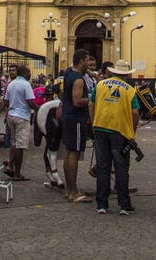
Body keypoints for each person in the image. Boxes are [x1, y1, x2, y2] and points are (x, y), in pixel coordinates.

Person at [89, 59, 140, 215]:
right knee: (121, 168)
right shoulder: (130, 90)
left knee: (103, 166)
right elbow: (135, 113)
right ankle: (124, 205)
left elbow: (91, 105)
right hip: (120, 131)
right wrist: (133, 130)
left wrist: (93, 122)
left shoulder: (99, 85)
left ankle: (102, 204)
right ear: (126, 74)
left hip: (100, 128)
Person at [61, 49, 91, 202]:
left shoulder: (68, 73)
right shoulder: (79, 79)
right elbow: (77, 101)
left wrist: (91, 74)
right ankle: (74, 193)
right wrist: (92, 99)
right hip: (76, 118)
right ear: (80, 61)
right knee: (74, 154)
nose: (89, 64)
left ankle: (69, 189)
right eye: (87, 61)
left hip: (67, 116)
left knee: (68, 152)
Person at [3, 64, 36, 180]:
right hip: (22, 116)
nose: (30, 74)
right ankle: (17, 172)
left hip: (11, 116)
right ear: (24, 73)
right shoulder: (26, 84)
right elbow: (30, 101)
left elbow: (6, 101)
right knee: (20, 146)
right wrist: (38, 109)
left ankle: (10, 166)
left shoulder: (11, 84)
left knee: (14, 143)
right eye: (28, 73)